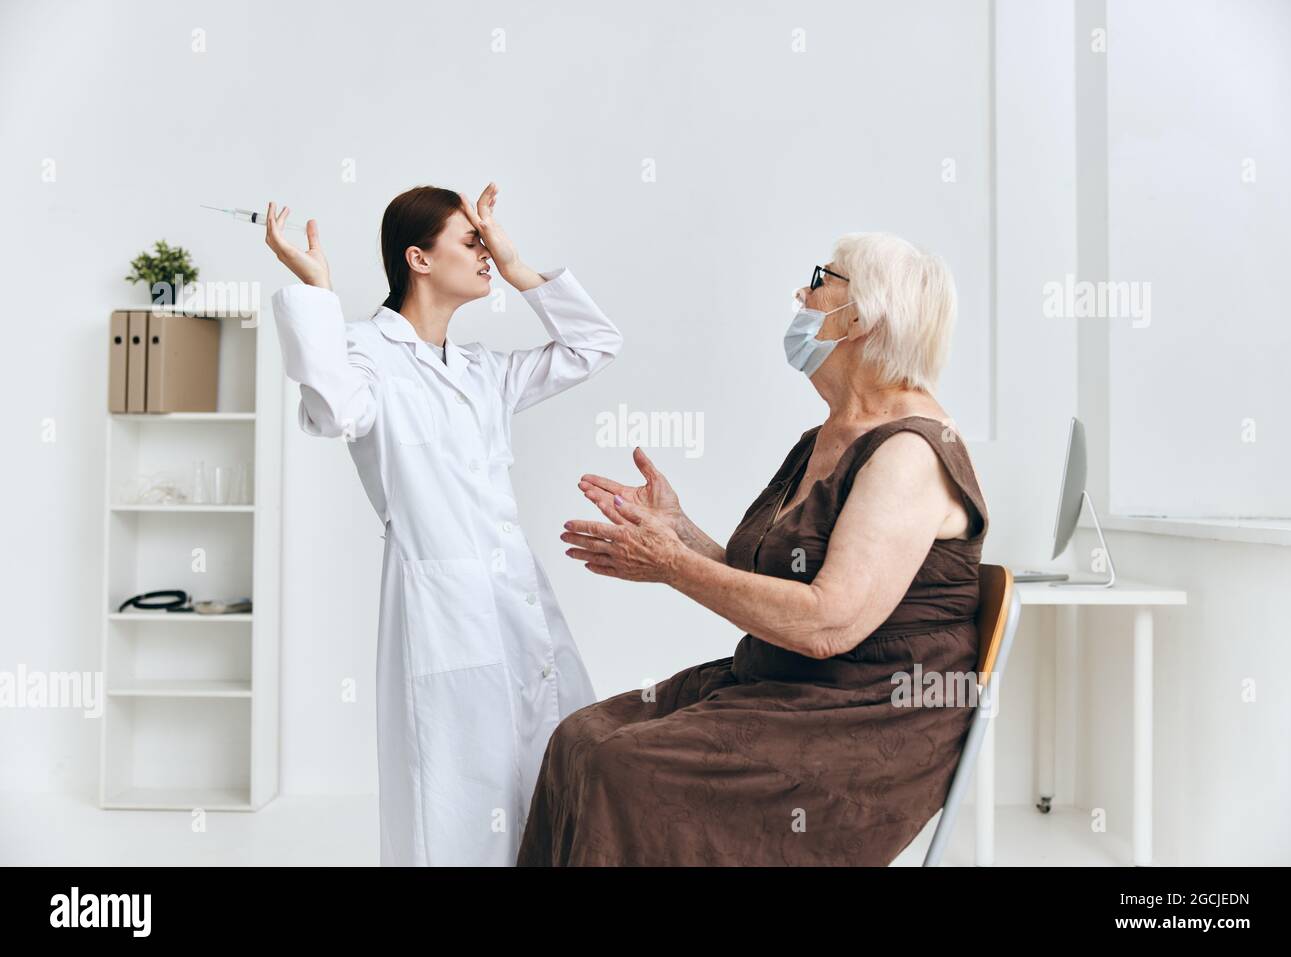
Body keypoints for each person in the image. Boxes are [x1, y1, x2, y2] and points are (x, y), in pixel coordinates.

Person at [518, 232, 988, 866]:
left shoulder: (909, 452)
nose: (802, 291)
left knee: (622, 766)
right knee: (580, 735)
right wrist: (678, 530)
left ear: (862, 315)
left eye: (822, 278)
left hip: (865, 718)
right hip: (779, 682)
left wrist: (671, 565)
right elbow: (773, 587)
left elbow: (827, 623)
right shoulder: (825, 437)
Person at [264, 184, 622, 865]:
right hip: (442, 611)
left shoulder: (482, 371)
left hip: (516, 603)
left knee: (554, 781)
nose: (485, 255)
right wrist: (318, 291)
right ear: (418, 259)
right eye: (471, 242)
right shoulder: (366, 351)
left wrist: (518, 268)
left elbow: (595, 343)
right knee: (456, 807)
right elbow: (334, 409)